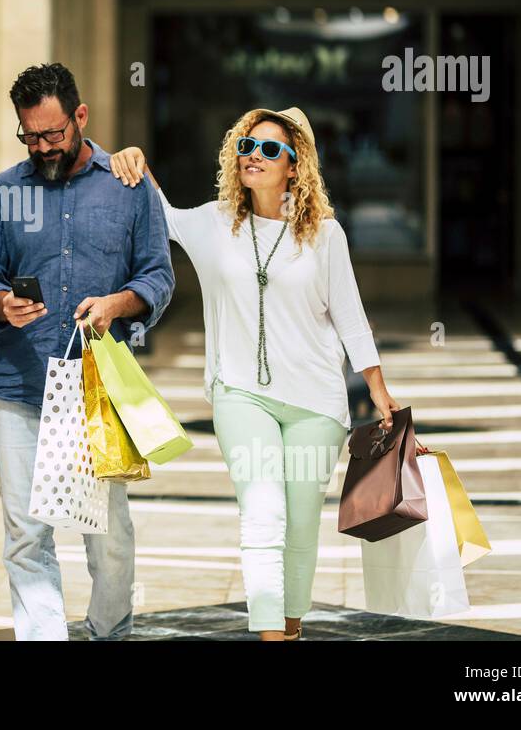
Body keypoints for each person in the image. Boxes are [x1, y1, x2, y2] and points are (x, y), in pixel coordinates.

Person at [109, 106, 407, 641]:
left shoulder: (325, 236)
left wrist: (380, 390)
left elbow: (351, 318)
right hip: (240, 392)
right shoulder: (215, 221)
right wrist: (135, 161)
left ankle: (289, 629)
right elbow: (164, 216)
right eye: (247, 146)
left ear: (295, 166)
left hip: (316, 401)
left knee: (299, 527)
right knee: (262, 513)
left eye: (270, 149)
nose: (255, 156)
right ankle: (269, 634)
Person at [0, 62, 175, 641]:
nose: (42, 147)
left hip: (97, 385)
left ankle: (109, 631)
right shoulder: (3, 192)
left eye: (53, 134)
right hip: (19, 383)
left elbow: (158, 276)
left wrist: (117, 303)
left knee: (107, 534)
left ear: (80, 116)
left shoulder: (129, 187)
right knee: (26, 535)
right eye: (29, 136)